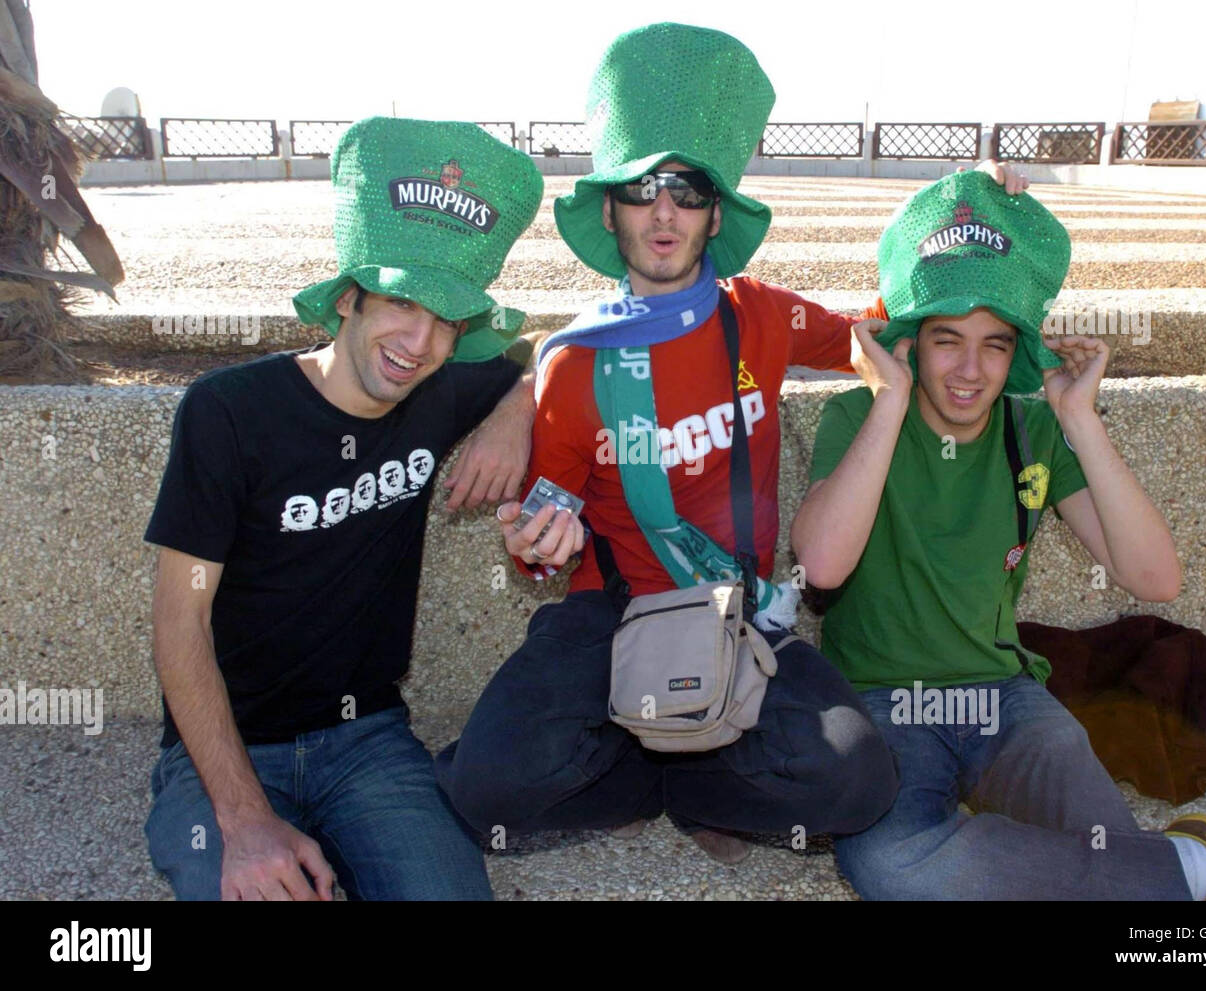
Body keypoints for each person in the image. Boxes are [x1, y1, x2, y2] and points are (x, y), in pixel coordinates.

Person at [437, 21, 1000, 865]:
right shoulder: (572, 367)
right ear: (611, 209)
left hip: (737, 618)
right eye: (642, 188)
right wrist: (531, 548)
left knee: (861, 777)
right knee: (484, 792)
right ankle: (677, 762)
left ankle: (680, 780)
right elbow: (543, 555)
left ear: (713, 214)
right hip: (610, 616)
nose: (664, 211)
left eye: (688, 190)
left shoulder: (761, 316)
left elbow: (883, 333)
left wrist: (970, 206)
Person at [791, 168, 1206, 900]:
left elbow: (1156, 578)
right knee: (893, 865)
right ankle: (1195, 868)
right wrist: (889, 400)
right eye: (945, 340)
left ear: (1015, 352)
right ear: (910, 344)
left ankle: (1159, 876)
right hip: (886, 700)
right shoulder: (857, 419)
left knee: (1104, 856)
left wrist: (1079, 418)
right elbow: (824, 566)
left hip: (1007, 697)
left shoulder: (1033, 431)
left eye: (995, 345)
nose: (969, 371)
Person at [143, 118, 544, 900]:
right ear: (349, 297)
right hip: (227, 746)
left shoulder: (440, 390)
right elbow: (177, 623)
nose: (419, 341)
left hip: (366, 739)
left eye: (446, 319)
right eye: (400, 300)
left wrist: (514, 410)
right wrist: (245, 819)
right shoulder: (227, 412)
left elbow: (557, 352)